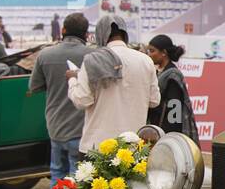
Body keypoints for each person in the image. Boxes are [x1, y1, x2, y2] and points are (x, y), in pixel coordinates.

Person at [66, 14, 159, 152]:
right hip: (133, 147)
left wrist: (73, 80)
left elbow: (82, 100)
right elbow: (154, 101)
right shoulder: (145, 61)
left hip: (97, 147)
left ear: (100, 34)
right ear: (125, 34)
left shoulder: (92, 60)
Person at [29, 13, 93, 187]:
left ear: (63, 30)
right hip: (81, 128)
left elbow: (34, 87)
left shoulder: (45, 55)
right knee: (78, 177)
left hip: (55, 127)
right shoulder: (93, 55)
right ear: (86, 34)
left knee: (57, 173)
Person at [145, 34, 199, 142]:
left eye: (152, 51)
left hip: (166, 134)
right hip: (154, 131)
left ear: (164, 53)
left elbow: (175, 113)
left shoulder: (173, 77)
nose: (149, 54)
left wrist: (169, 138)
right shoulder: (157, 72)